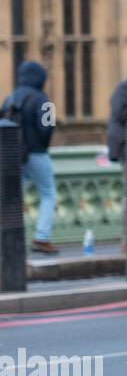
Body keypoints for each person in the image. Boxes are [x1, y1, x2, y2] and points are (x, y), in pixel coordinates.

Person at [2, 61, 57, 254]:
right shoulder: (44, 100)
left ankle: (10, 234)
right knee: (48, 193)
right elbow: (48, 126)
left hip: (14, 155)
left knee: (13, 195)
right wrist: (42, 145)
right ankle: (42, 237)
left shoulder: (9, 99)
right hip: (37, 153)